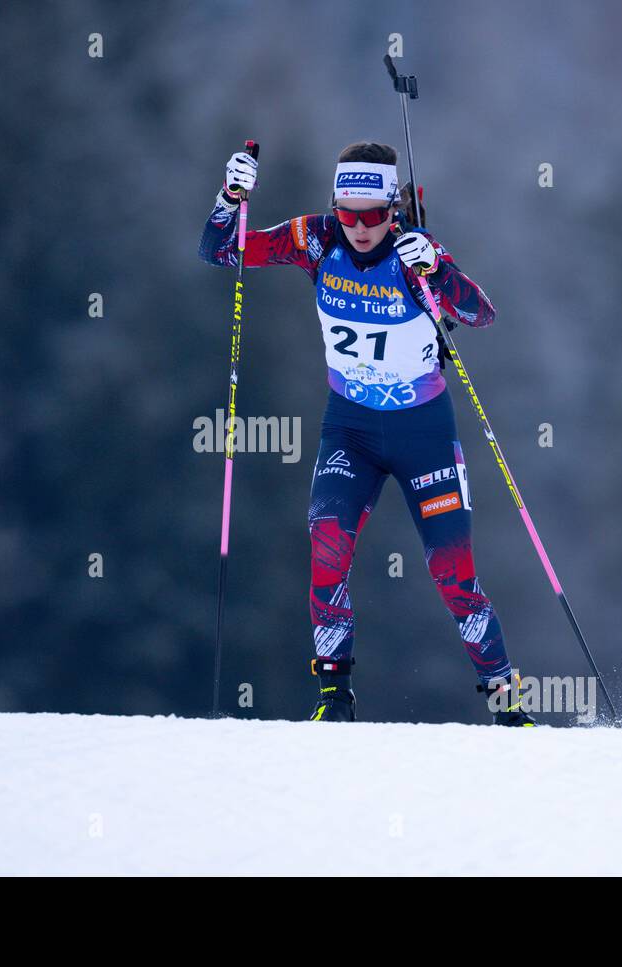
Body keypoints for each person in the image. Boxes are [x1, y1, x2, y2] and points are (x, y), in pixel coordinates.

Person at [198, 141, 536, 726]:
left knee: (451, 571)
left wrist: (439, 272)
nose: (358, 228)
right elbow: (221, 252)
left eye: (372, 215)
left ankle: (507, 702)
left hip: (422, 432)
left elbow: (481, 313)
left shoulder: (415, 251)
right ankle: (334, 702)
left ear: (393, 207)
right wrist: (232, 198)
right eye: (347, 213)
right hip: (349, 428)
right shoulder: (315, 238)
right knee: (327, 546)